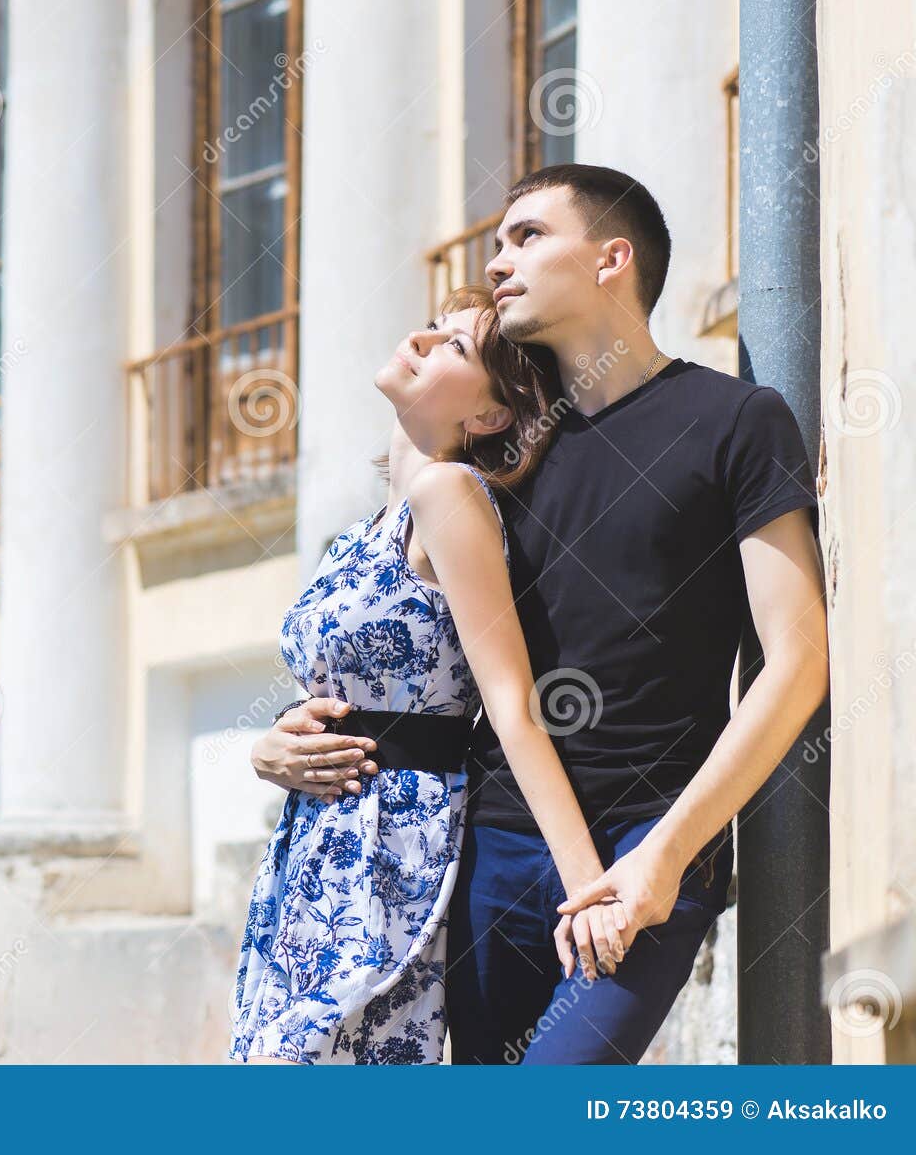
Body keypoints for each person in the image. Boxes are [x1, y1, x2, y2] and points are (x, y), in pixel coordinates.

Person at [264, 164, 829, 1064]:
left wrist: (666, 856)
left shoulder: (736, 421)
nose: (498, 261)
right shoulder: (500, 453)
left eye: (527, 236)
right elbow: (415, 641)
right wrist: (297, 731)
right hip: (490, 845)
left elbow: (797, 663)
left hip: (651, 835)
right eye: (497, 242)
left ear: (612, 258)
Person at [230, 285, 627, 1065]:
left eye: (454, 346)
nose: (421, 337)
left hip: (389, 853)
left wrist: (590, 888)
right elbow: (343, 693)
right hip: (312, 850)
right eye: (435, 326)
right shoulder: (357, 536)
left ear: (489, 416)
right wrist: (264, 750)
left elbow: (510, 700)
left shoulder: (448, 495)